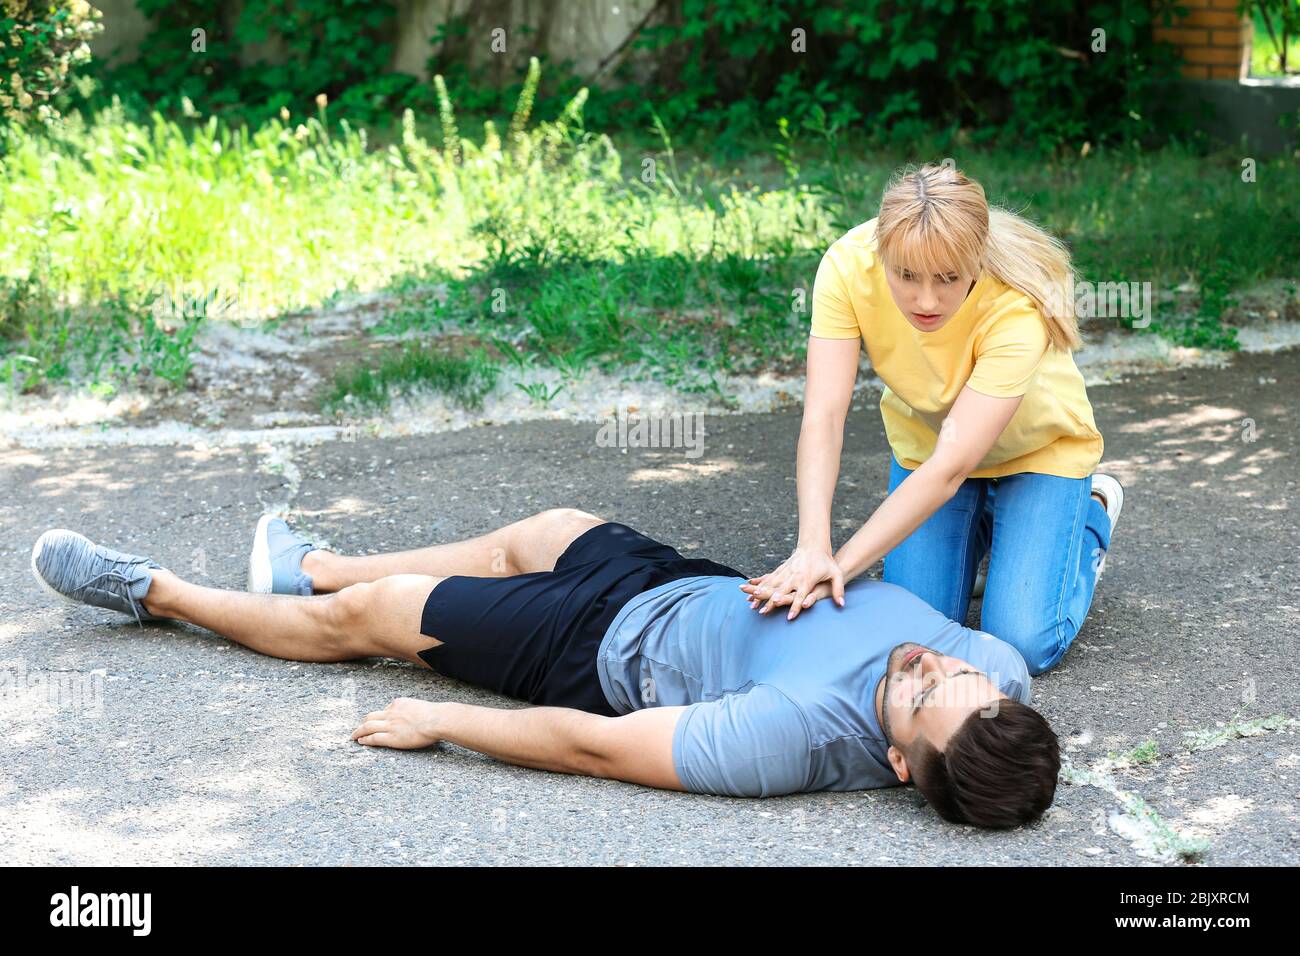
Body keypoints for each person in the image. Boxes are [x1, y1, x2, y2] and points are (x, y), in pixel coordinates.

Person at [31, 506, 1060, 828]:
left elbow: (599, 746)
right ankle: (305, 565)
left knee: (378, 619)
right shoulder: (990, 672)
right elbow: (996, 675)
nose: (922, 660)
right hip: (684, 583)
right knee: (547, 527)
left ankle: (151, 590)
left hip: (592, 650)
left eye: (916, 691)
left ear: (890, 760)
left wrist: (446, 725)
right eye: (949, 674)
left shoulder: (786, 736)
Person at [743, 162, 1123, 675]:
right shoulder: (847, 266)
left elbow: (950, 469)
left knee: (1018, 644)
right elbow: (824, 415)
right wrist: (812, 546)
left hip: (1037, 452)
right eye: (906, 276)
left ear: (977, 257)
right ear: (882, 253)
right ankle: (994, 532)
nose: (926, 299)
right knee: (915, 637)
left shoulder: (1016, 306)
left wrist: (836, 569)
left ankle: (1090, 517)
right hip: (928, 450)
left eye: (947, 279)